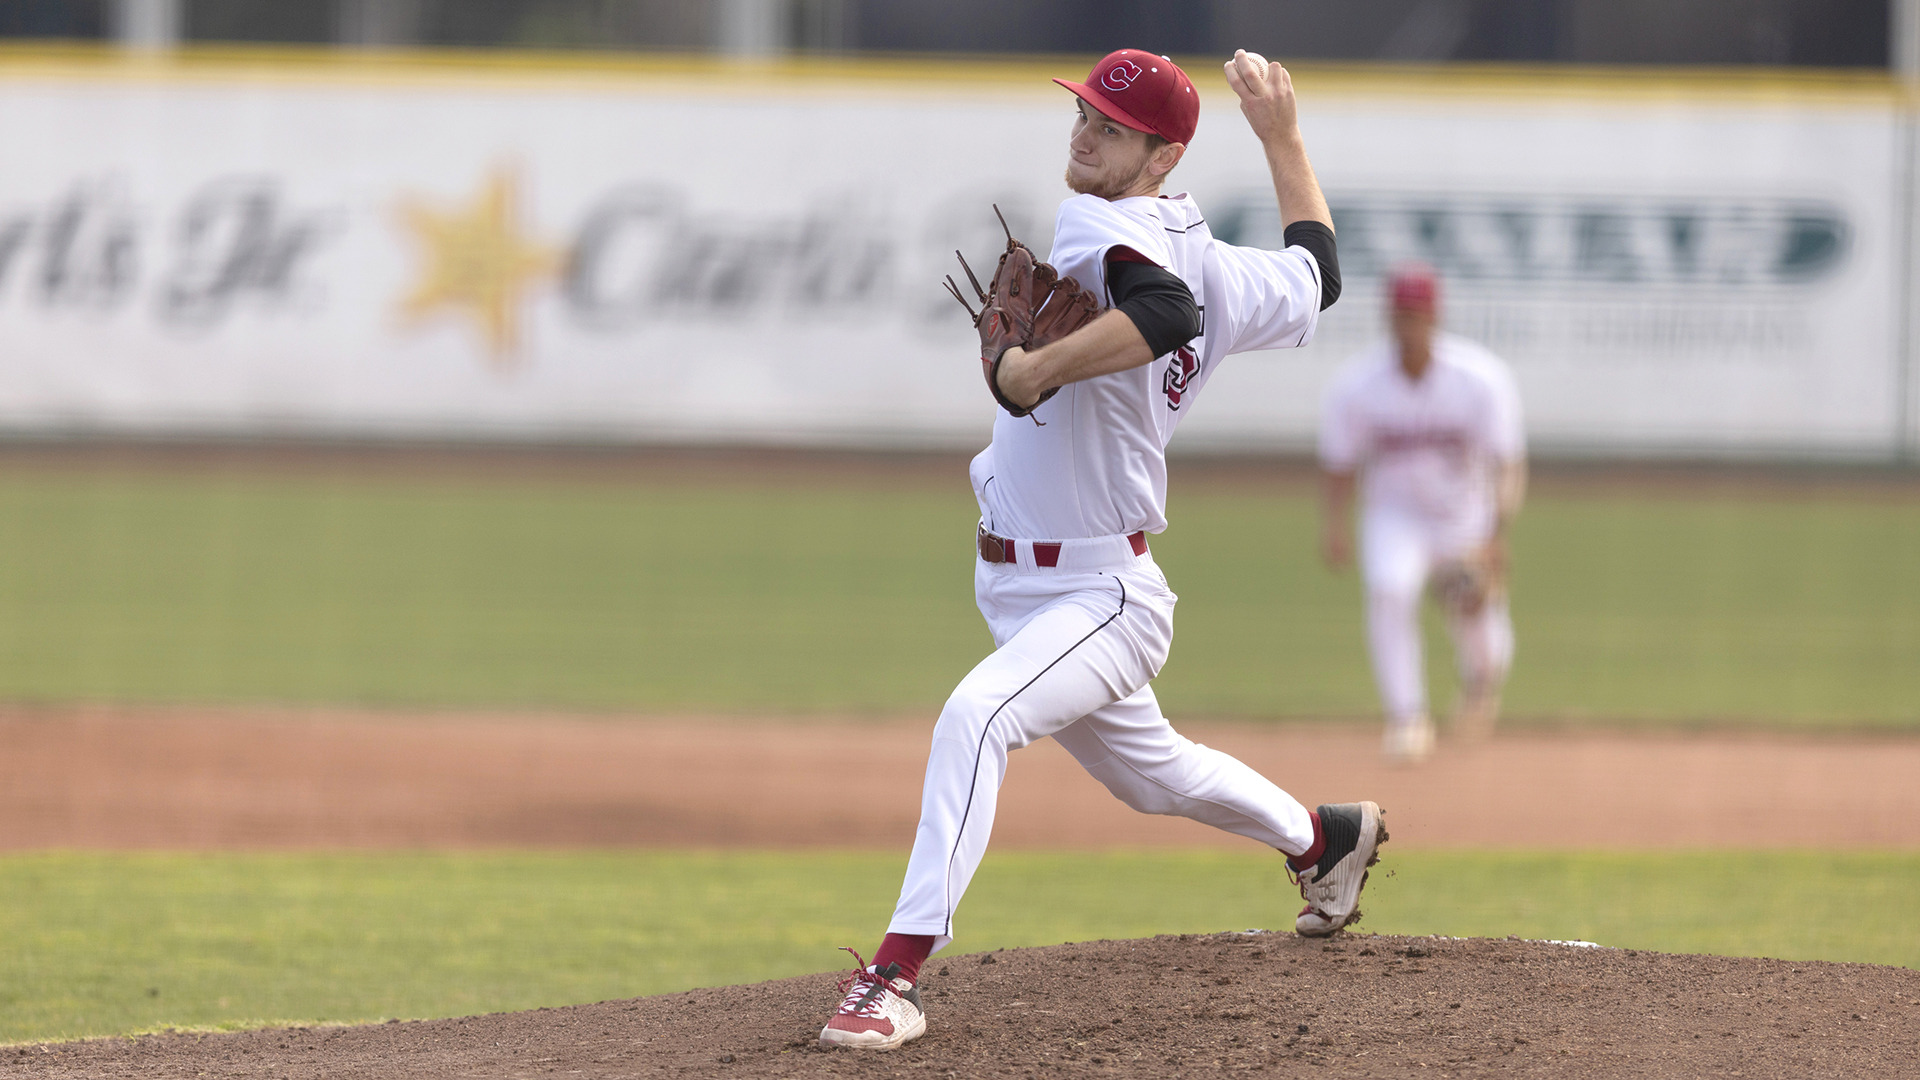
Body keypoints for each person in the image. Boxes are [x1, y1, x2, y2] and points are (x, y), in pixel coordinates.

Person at [817, 48, 1387, 1052]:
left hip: (1100, 590)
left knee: (975, 717)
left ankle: (893, 976)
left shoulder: (1100, 222)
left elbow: (1164, 315)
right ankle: (1322, 840)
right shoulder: (1208, 254)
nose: (1084, 136)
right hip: (1029, 582)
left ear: (1161, 153)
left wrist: (1035, 371)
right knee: (1151, 774)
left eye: (1111, 129)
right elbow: (1319, 276)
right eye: (1083, 116)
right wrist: (1283, 139)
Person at [1318, 265, 1527, 765]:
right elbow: (1341, 463)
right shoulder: (1359, 384)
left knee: (1478, 623)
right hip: (1394, 517)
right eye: (1401, 313)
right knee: (1390, 591)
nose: (1409, 323)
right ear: (1389, 317)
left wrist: (1496, 536)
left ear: (1435, 315)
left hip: (1463, 518)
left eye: (1418, 313)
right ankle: (1407, 717)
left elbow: (1508, 463)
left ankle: (1481, 686)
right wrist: (1334, 525)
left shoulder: (1480, 379)